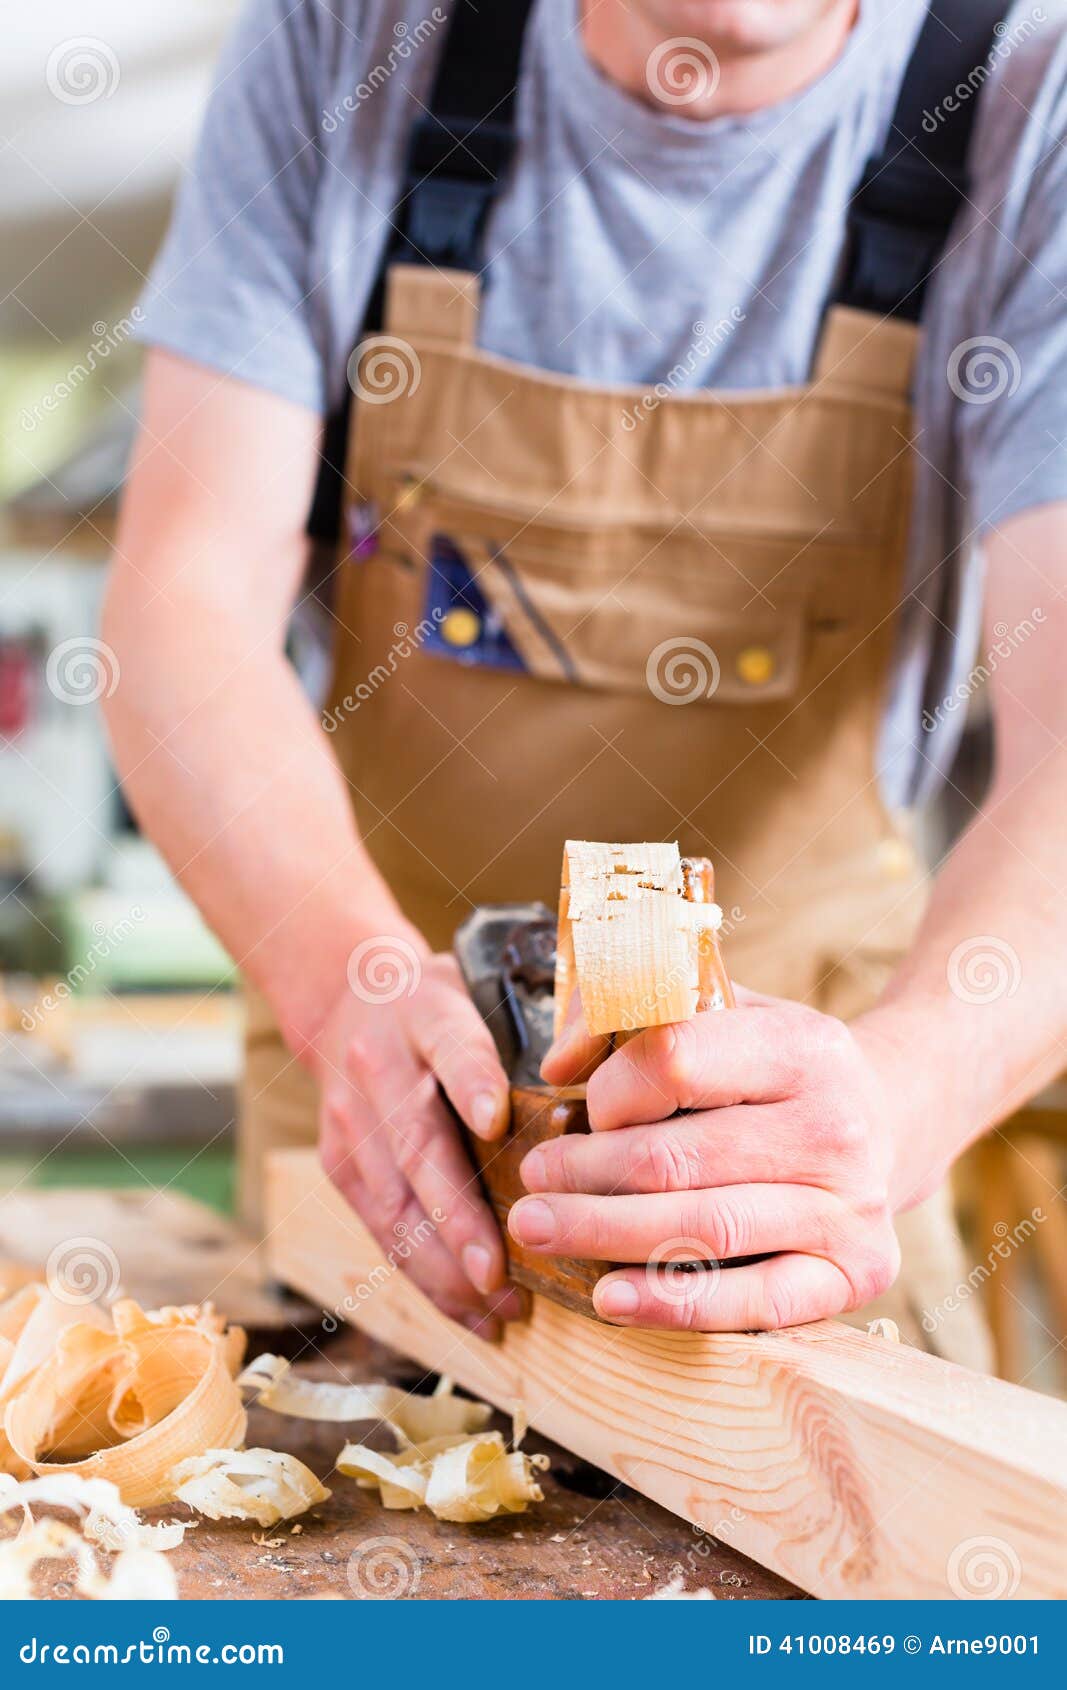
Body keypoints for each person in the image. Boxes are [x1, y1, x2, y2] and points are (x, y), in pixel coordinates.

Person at [103, 0, 1067, 1364]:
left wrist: (893, 1103)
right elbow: (176, 608)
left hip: (785, 1222)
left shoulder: (1033, 100)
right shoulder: (353, 34)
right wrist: (347, 992)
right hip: (388, 1164)